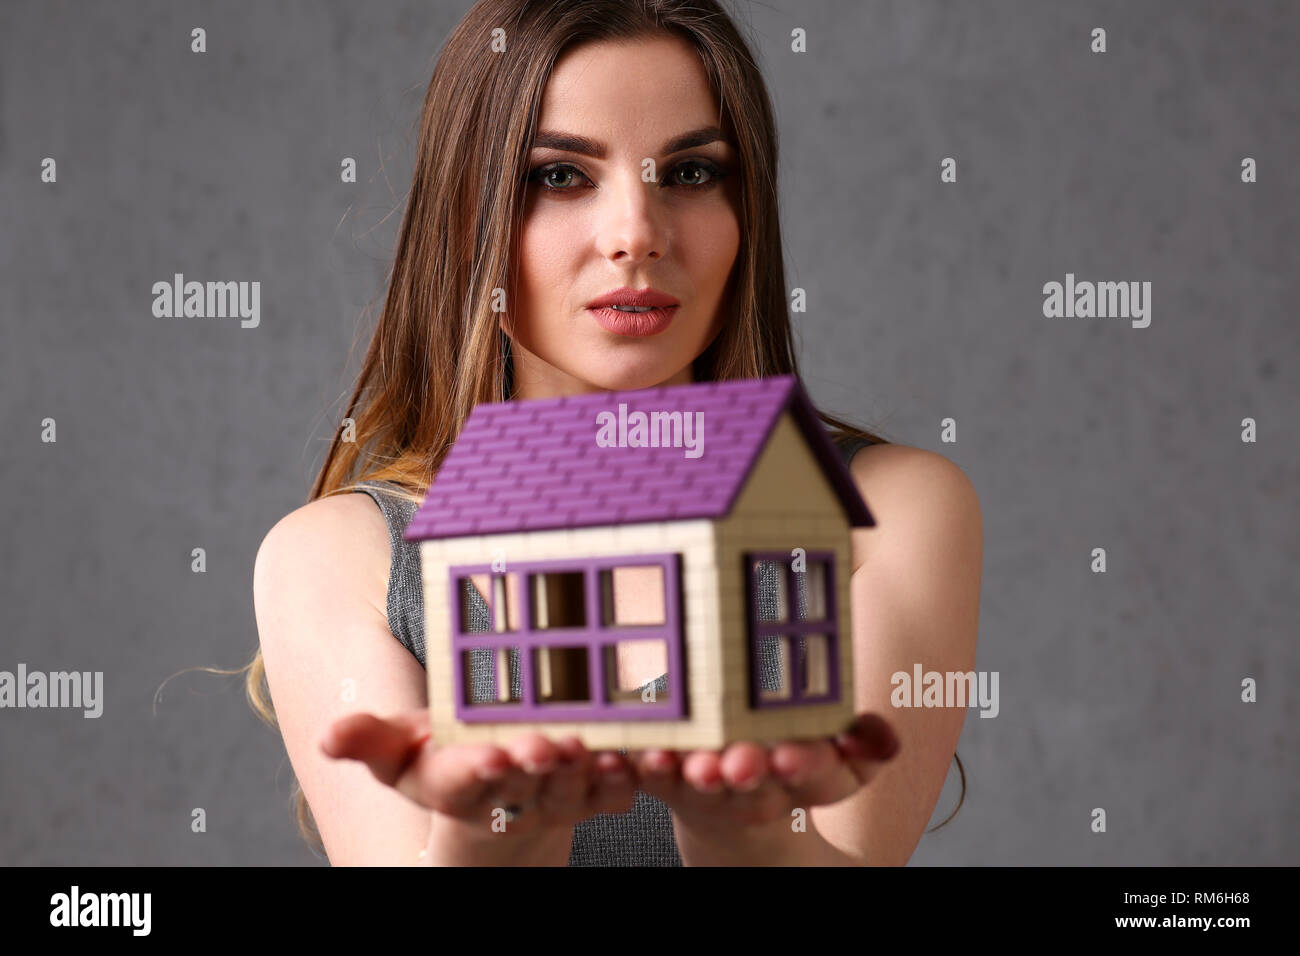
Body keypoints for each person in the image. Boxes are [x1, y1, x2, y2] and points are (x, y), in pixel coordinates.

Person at [249, 0, 981, 866]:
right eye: (559, 176)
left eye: (691, 172)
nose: (636, 233)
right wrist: (502, 830)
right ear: (465, 219)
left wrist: (739, 827)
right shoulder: (336, 558)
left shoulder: (893, 510)